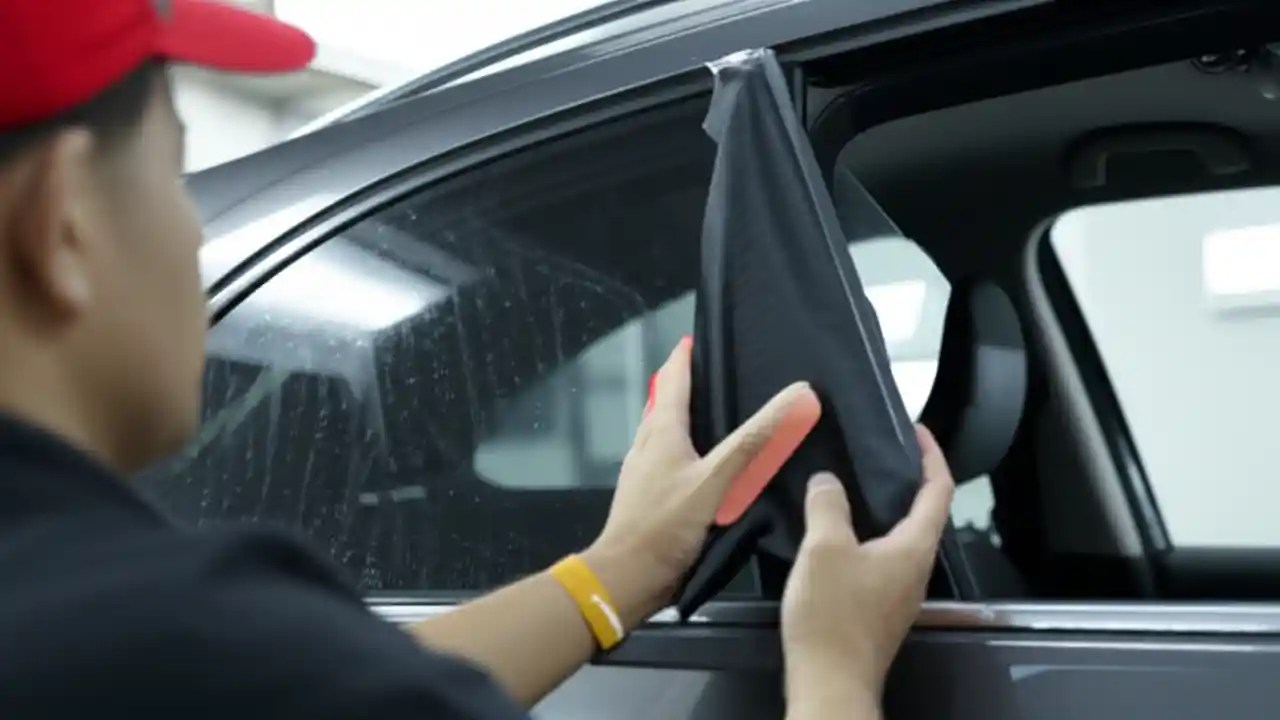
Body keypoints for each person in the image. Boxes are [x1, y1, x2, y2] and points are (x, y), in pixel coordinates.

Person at [0, 1, 957, 718]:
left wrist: (620, 570)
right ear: (65, 223)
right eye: (170, 172)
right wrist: (835, 667)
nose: (189, 234)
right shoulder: (172, 638)